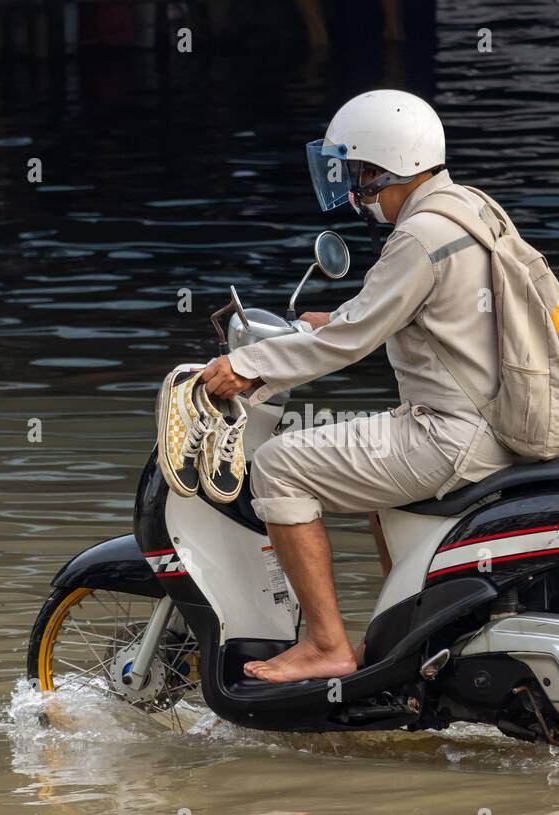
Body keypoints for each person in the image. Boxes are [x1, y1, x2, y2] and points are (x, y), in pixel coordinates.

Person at [200, 89, 522, 683]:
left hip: (450, 434)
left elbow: (348, 343)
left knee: (278, 465)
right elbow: (400, 311)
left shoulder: (419, 235)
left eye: (361, 173)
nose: (356, 190)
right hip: (493, 425)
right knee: (379, 497)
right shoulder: (469, 209)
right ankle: (412, 649)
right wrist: (333, 318)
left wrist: (251, 365)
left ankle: (327, 646)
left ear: (389, 165)